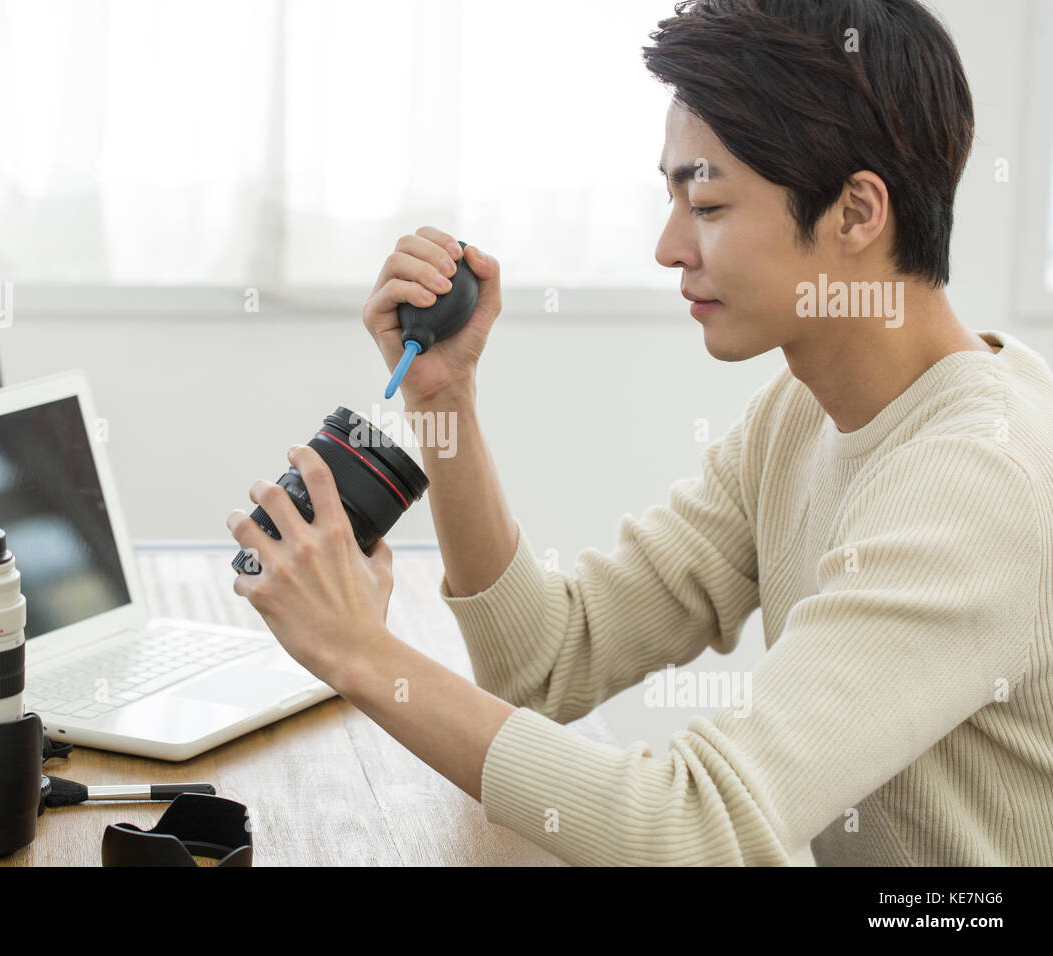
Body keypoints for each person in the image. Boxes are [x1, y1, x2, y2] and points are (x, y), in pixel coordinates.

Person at [226, 0, 1053, 865]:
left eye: (709, 204)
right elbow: (544, 663)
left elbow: (697, 829)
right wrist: (444, 397)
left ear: (854, 213)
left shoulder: (979, 479)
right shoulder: (800, 416)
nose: (667, 247)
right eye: (671, 197)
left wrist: (358, 652)